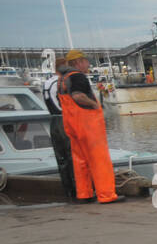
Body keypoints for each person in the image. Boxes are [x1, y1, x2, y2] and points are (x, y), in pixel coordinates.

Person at [59, 49, 122, 204]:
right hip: (87, 124)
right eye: (86, 60)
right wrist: (95, 105)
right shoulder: (78, 76)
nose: (88, 63)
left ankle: (84, 194)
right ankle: (106, 194)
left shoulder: (63, 79)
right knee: (99, 159)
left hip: (71, 124)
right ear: (78, 62)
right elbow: (78, 96)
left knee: (80, 161)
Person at [41, 58, 78, 200]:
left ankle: (68, 191)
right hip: (63, 120)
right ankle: (77, 190)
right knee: (71, 156)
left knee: (61, 159)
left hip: (53, 121)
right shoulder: (60, 82)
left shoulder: (47, 82)